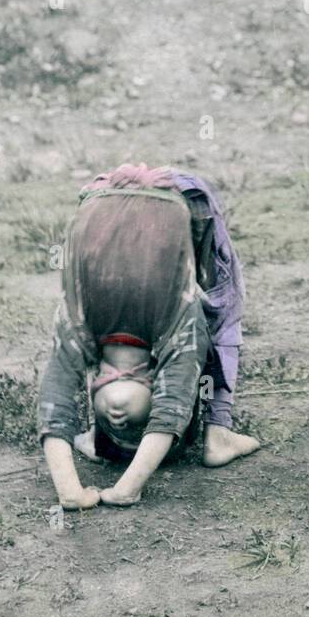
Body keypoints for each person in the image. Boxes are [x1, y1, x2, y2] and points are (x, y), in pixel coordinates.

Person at [38, 164, 258, 509]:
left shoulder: (85, 320)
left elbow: (56, 402)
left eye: (110, 425)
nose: (117, 414)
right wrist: (123, 488)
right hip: (172, 200)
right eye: (130, 426)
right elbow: (171, 407)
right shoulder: (176, 318)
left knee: (217, 307)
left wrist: (73, 492)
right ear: (154, 380)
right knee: (219, 303)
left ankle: (213, 432)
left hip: (106, 197)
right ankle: (218, 431)